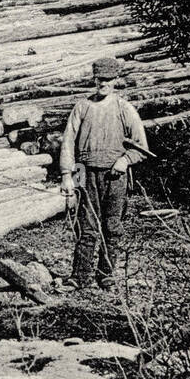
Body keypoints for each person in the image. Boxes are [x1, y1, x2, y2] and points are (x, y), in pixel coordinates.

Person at [58, 57, 149, 290]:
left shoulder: (124, 108)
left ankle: (106, 274)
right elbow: (68, 141)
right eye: (100, 79)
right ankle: (80, 276)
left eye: (108, 80)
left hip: (115, 176)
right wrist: (67, 175)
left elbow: (141, 147)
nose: (104, 84)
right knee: (86, 226)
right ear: (94, 79)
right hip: (86, 174)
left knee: (112, 227)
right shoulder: (82, 107)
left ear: (116, 80)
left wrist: (125, 160)